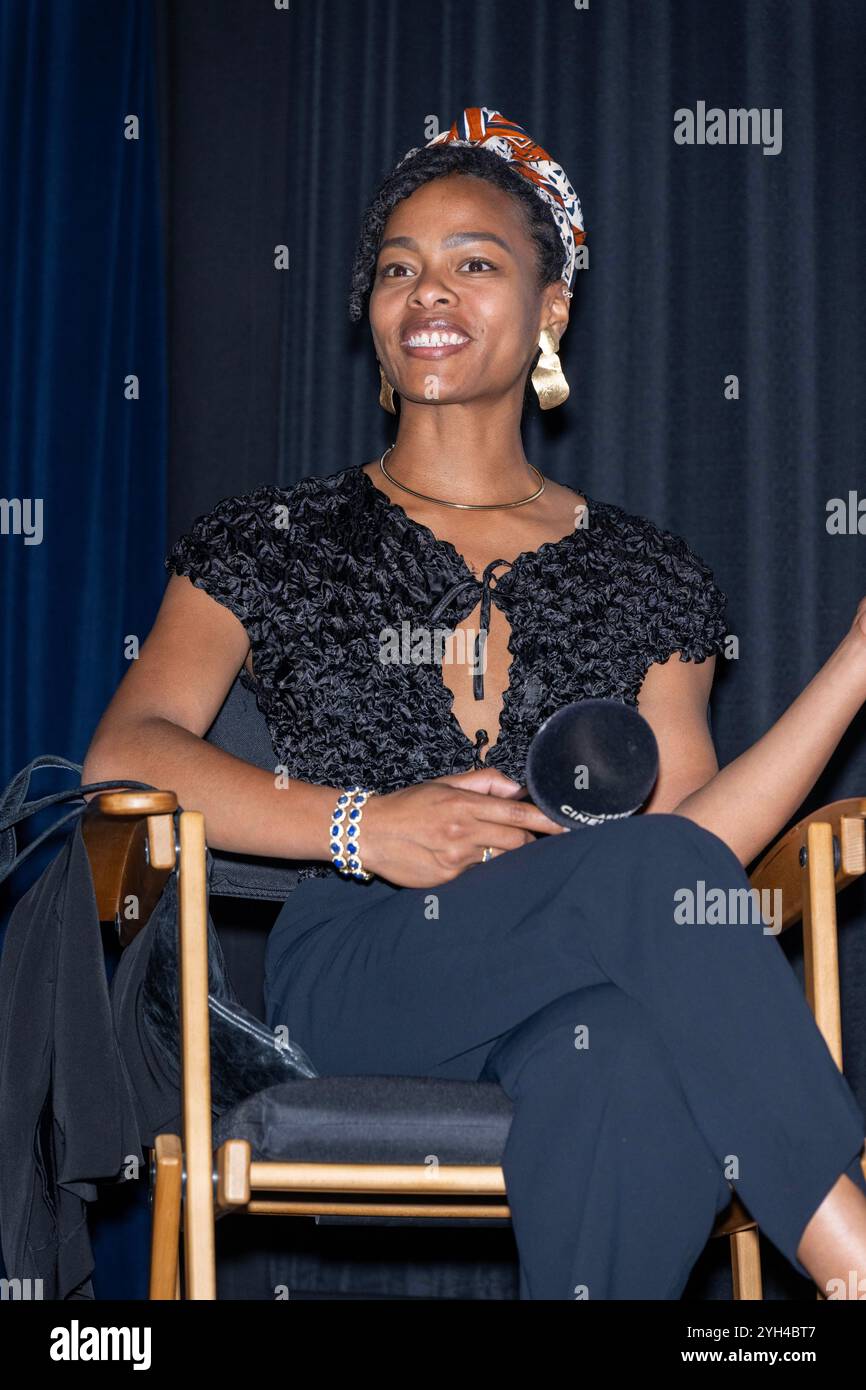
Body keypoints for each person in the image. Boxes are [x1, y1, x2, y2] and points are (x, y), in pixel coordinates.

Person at [82, 107, 866, 1300]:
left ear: (551, 310)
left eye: (473, 262)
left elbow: (696, 860)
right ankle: (849, 1251)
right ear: (372, 314)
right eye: (398, 268)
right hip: (361, 969)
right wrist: (365, 824)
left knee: (633, 1065)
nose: (426, 292)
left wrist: (854, 661)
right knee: (645, 882)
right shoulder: (273, 539)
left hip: (573, 986)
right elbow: (126, 757)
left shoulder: (647, 575)